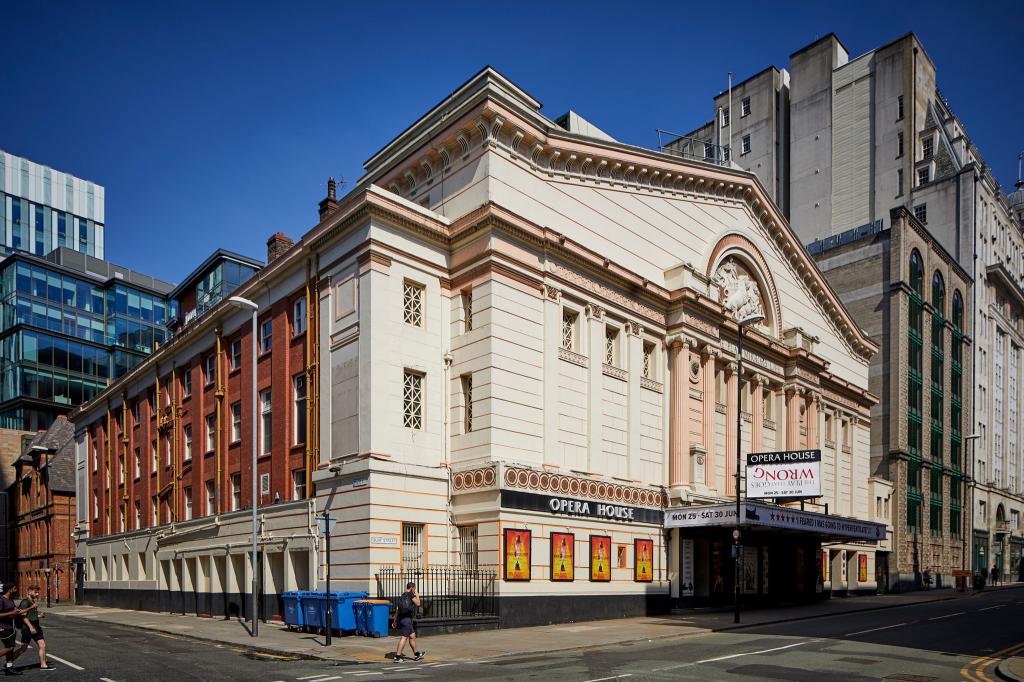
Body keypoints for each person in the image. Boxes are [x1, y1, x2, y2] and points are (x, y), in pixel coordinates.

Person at [14, 585, 53, 671]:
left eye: (38, 592)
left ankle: (43, 665)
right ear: (29, 591)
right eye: (35, 592)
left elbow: (30, 615)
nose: (37, 594)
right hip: (27, 628)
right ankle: (9, 662)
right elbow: (23, 616)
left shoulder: (32, 601)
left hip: (36, 627)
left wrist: (39, 616)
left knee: (42, 645)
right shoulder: (25, 602)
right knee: (23, 648)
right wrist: (31, 627)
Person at [0, 584, 28, 676]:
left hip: (11, 627)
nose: (16, 590)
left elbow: (16, 611)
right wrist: (12, 612)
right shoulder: (1, 599)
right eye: (15, 588)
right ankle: (9, 667)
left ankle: (9, 668)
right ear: (9, 589)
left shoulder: (10, 599)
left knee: (10, 648)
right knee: (10, 647)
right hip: (3, 628)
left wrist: (31, 609)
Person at [392, 582, 424, 662]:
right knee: (404, 637)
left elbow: (397, 609)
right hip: (407, 620)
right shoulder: (410, 594)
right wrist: (416, 594)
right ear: (412, 588)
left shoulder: (402, 595)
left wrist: (395, 621)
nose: (414, 590)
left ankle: (416, 654)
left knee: (412, 636)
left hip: (402, 619)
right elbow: (418, 603)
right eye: (414, 589)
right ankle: (397, 656)